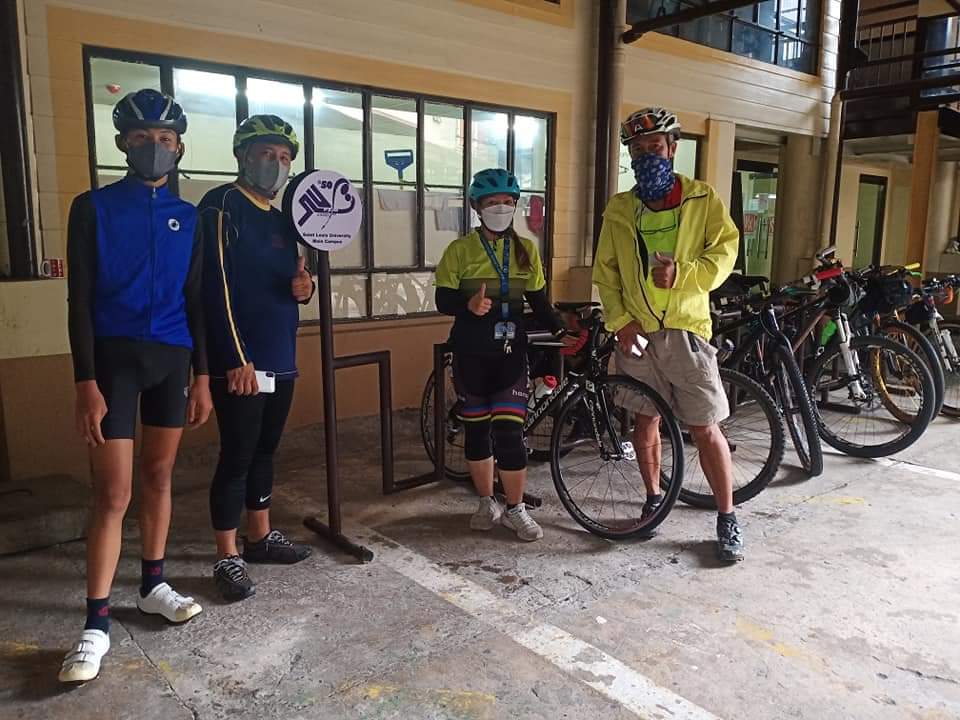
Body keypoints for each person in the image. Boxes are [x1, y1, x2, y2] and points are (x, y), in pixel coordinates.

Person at [60, 89, 212, 683]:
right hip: (113, 362)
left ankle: (153, 585)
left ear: (180, 148)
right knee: (113, 493)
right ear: (124, 143)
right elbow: (79, 300)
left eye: (166, 139)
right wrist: (85, 382)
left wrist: (202, 376)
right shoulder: (92, 208)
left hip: (173, 358)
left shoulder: (191, 218)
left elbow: (196, 300)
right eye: (144, 137)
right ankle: (95, 623)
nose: (156, 147)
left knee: (159, 476)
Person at [592, 107, 743, 562]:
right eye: (637, 150)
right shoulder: (620, 209)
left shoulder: (702, 199)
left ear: (672, 148)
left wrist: (684, 274)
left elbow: (725, 253)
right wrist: (620, 322)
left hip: (686, 333)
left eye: (654, 147)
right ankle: (654, 498)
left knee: (705, 428)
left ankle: (727, 517)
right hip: (639, 334)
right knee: (645, 421)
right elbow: (606, 273)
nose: (646, 156)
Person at [199, 115, 315, 601]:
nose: (276, 164)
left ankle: (260, 536)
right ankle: (227, 554)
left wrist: (305, 288)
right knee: (238, 454)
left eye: (284, 157)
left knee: (266, 450)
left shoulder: (285, 218)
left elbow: (293, 281)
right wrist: (235, 357)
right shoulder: (222, 204)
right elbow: (214, 286)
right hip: (242, 362)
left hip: (280, 355)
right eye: (267, 153)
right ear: (243, 156)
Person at [435, 168, 568, 541]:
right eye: (492, 202)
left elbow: (539, 302)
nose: (500, 208)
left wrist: (562, 330)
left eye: (508, 202)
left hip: (510, 354)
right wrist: (467, 304)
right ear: (477, 207)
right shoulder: (460, 250)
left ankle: (515, 509)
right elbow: (442, 299)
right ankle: (485, 502)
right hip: (470, 353)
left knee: (510, 433)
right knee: (477, 432)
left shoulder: (526, 250)